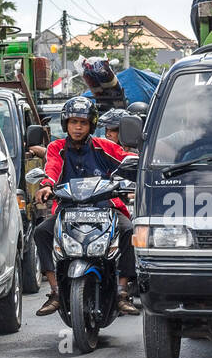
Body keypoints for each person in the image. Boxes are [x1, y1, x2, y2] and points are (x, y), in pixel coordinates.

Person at [32, 97, 138, 317]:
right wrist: (46, 186)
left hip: (105, 208)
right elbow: (52, 168)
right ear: (65, 124)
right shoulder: (56, 147)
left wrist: (143, 167)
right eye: (73, 122)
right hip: (68, 210)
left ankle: (122, 291)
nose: (78, 127)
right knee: (41, 232)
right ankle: (55, 291)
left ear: (91, 124)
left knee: (129, 230)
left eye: (83, 122)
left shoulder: (105, 147)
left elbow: (128, 159)